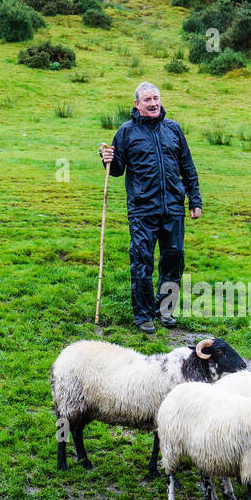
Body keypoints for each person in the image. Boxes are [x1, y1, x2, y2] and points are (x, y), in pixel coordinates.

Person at [99, 81, 202, 334]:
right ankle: (143, 315)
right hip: (142, 210)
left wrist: (195, 199)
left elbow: (188, 167)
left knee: (174, 259)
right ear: (137, 104)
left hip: (174, 209)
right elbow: (118, 169)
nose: (154, 103)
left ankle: (165, 311)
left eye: (156, 98)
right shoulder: (126, 132)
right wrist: (107, 160)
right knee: (142, 262)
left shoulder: (174, 130)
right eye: (147, 100)